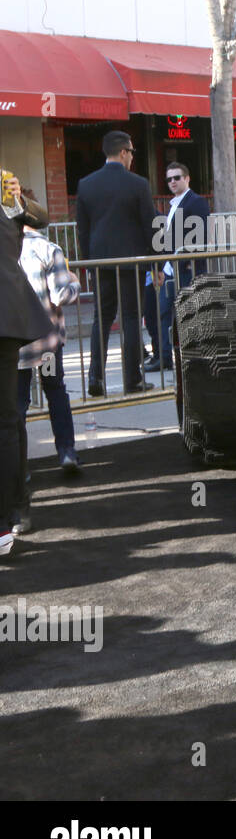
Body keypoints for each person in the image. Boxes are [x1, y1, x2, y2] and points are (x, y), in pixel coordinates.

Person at [75, 130, 157, 396]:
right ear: (123, 152)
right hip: (131, 261)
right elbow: (150, 227)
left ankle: (95, 379)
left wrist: (89, 262)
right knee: (132, 318)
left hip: (101, 261)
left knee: (102, 318)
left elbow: (82, 230)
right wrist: (157, 263)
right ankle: (132, 379)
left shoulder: (86, 184)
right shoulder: (138, 184)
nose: (132, 157)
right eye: (131, 152)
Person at [0, 171, 55, 557]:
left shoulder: (7, 195)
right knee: (7, 421)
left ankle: (14, 510)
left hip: (6, 320)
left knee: (7, 420)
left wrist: (17, 199)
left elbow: (41, 217)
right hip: (8, 318)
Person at [17, 220, 82, 530]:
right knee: (56, 392)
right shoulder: (46, 249)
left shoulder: (7, 247)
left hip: (13, 347)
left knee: (16, 407)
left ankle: (19, 469)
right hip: (46, 344)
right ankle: (66, 451)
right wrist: (75, 281)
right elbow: (61, 295)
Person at [143, 161, 209, 371]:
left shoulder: (196, 202)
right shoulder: (173, 205)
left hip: (187, 269)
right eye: (169, 178)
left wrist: (183, 259)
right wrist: (163, 265)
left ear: (187, 178)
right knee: (164, 314)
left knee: (188, 315)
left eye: (177, 177)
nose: (172, 182)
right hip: (171, 270)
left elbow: (201, 236)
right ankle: (164, 357)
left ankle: (191, 357)